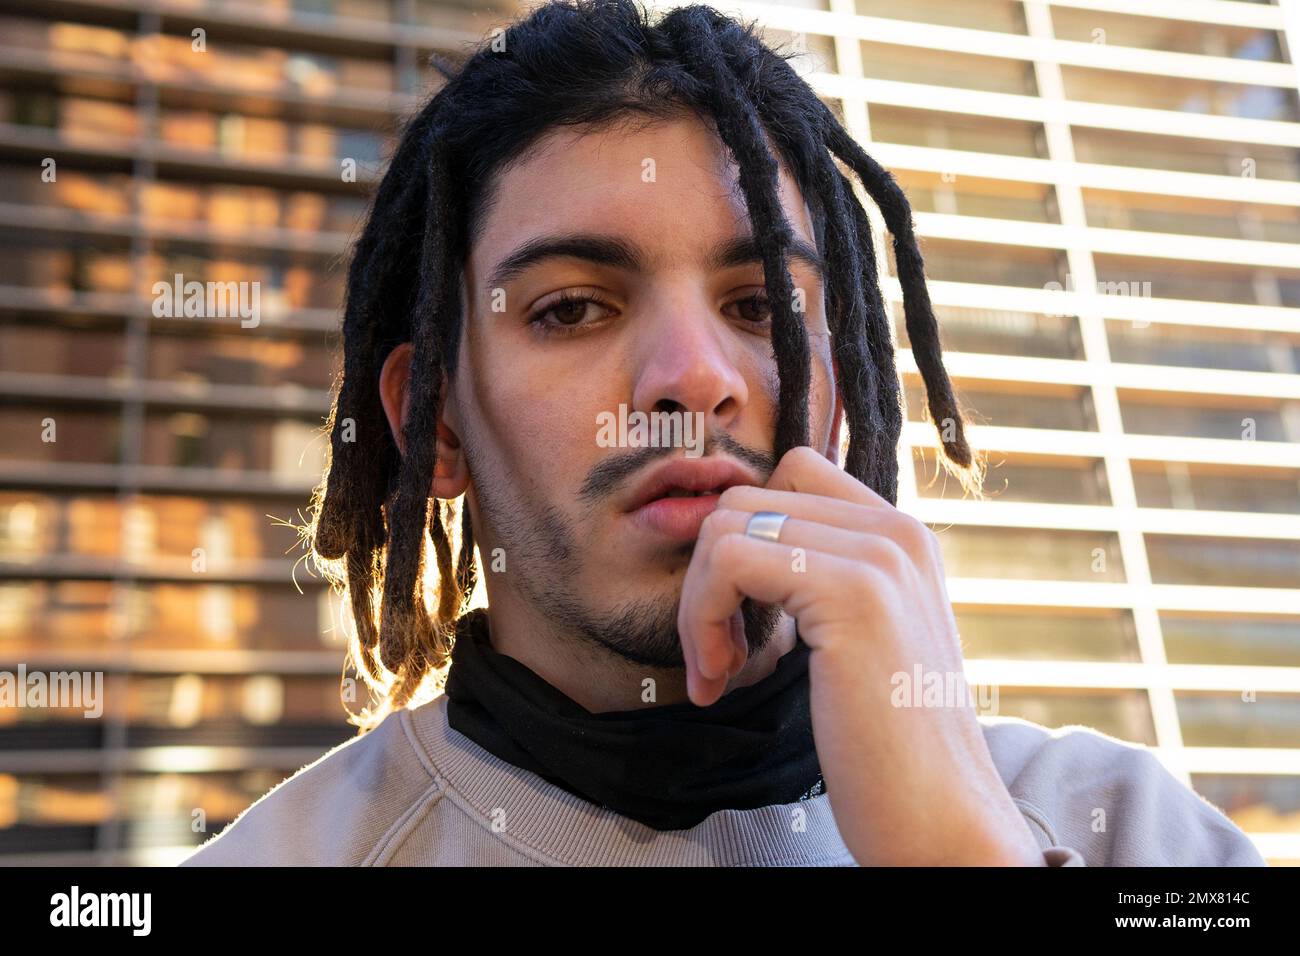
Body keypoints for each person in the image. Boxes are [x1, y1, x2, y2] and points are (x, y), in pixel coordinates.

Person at [181, 0, 1265, 867]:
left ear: (837, 394)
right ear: (438, 419)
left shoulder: (1138, 836)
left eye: (763, 311)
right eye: (570, 308)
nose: (693, 376)